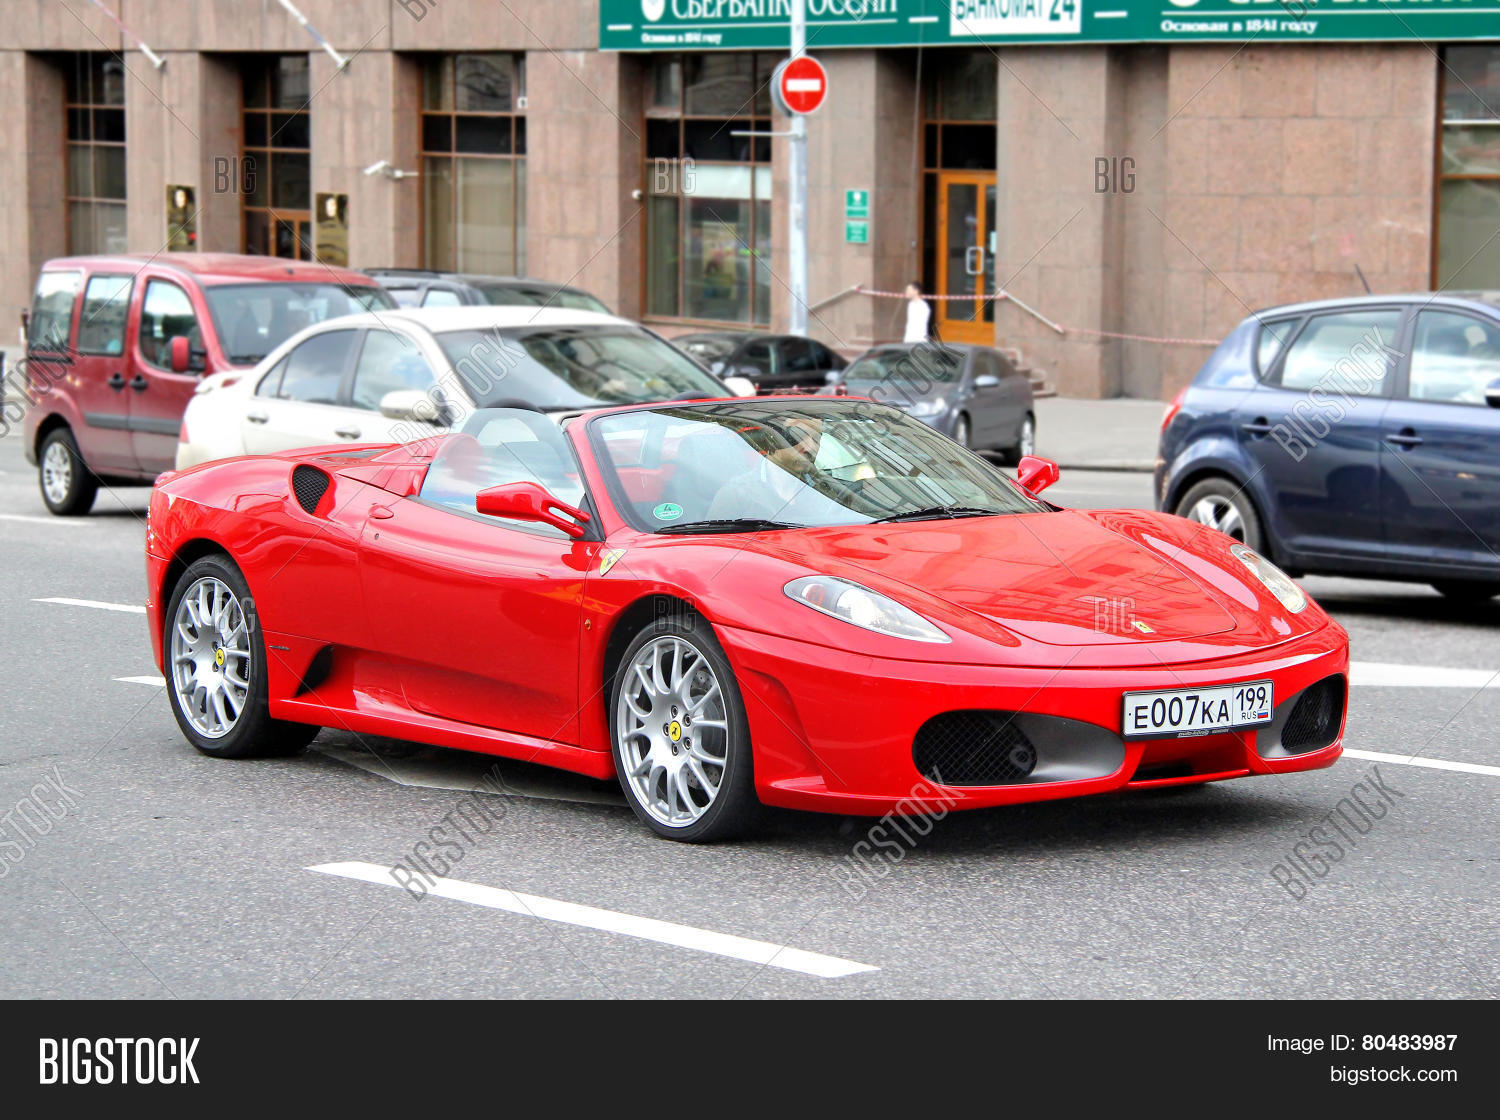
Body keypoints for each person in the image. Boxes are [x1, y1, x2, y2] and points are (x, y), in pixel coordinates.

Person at [706, 415, 834, 522]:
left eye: (817, 438)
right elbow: (714, 548)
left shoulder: (832, 492)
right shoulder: (736, 495)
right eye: (798, 436)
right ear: (772, 439)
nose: (810, 447)